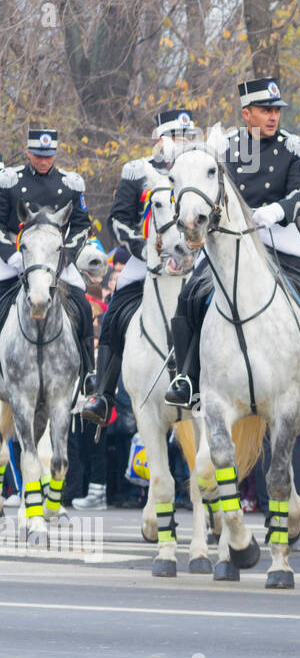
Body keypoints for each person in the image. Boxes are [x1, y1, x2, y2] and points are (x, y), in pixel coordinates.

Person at [164, 76, 300, 409]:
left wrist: (275, 211)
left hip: (279, 236)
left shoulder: (294, 147)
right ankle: (187, 379)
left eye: (276, 110)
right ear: (246, 113)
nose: (273, 116)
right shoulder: (224, 148)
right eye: (265, 110)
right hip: (230, 238)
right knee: (188, 299)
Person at [85, 109, 200, 425]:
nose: (183, 141)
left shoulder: (199, 170)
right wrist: (144, 249)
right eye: (176, 135)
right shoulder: (138, 171)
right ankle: (103, 395)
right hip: (146, 259)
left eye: (187, 136)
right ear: (161, 139)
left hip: (191, 258)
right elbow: (118, 220)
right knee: (115, 315)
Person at [0, 127, 99, 394]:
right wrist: (12, 255)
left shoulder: (70, 184)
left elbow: (81, 225)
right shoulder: (9, 181)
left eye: (48, 156)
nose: (43, 161)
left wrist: (65, 256)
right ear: (28, 153)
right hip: (16, 257)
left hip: (55, 258)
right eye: (38, 156)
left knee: (83, 305)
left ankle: (88, 371)